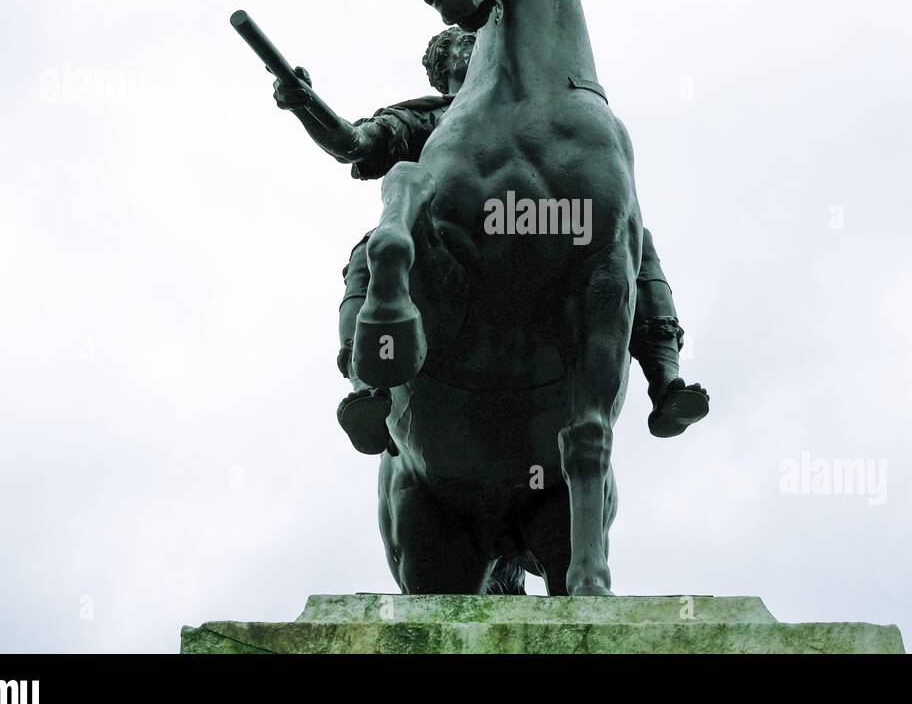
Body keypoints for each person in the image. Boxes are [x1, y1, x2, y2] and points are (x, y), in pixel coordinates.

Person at [273, 28, 709, 454]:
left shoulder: (537, 114)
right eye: (465, 44)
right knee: (369, 252)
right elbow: (353, 142)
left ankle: (664, 378)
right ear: (444, 67)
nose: (478, 47)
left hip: (533, 225)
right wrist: (305, 104)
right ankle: (367, 386)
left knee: (627, 232)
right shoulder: (431, 116)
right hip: (449, 247)